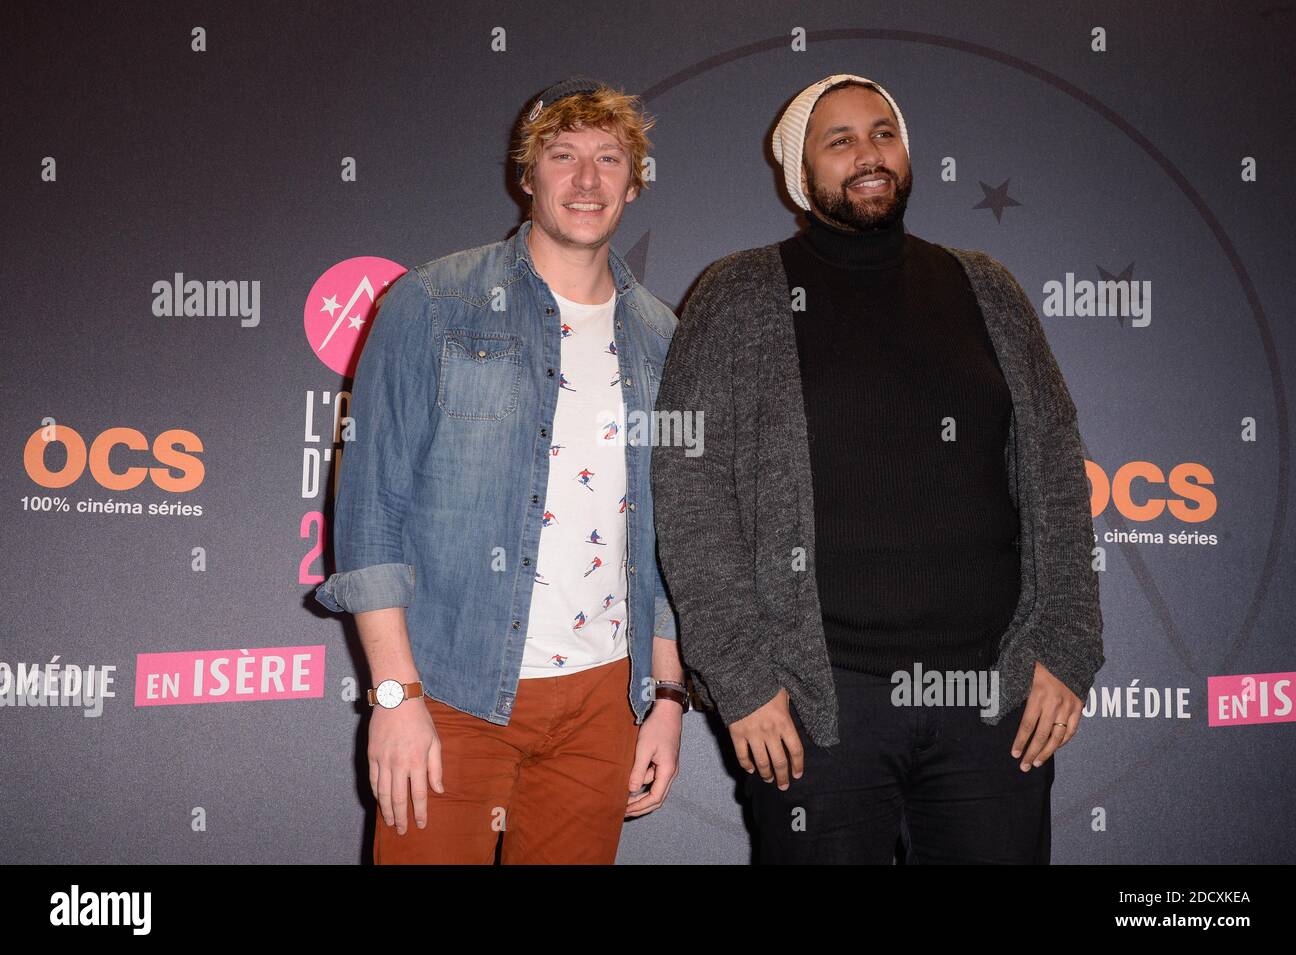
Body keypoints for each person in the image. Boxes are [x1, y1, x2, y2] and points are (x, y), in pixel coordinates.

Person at [651, 74, 1104, 863]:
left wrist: (1064, 647)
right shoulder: (737, 295)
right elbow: (690, 496)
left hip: (990, 705)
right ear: (801, 172)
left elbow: (1058, 472)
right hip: (818, 710)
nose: (868, 153)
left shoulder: (986, 288)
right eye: (840, 140)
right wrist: (743, 680)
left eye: (883, 133)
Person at [315, 77, 686, 864]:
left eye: (609, 158)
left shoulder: (663, 336)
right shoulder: (432, 302)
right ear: (528, 176)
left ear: (634, 181)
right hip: (452, 688)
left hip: (602, 706)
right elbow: (371, 511)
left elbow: (663, 535)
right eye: (563, 155)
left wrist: (667, 698)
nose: (586, 180)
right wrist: (395, 693)